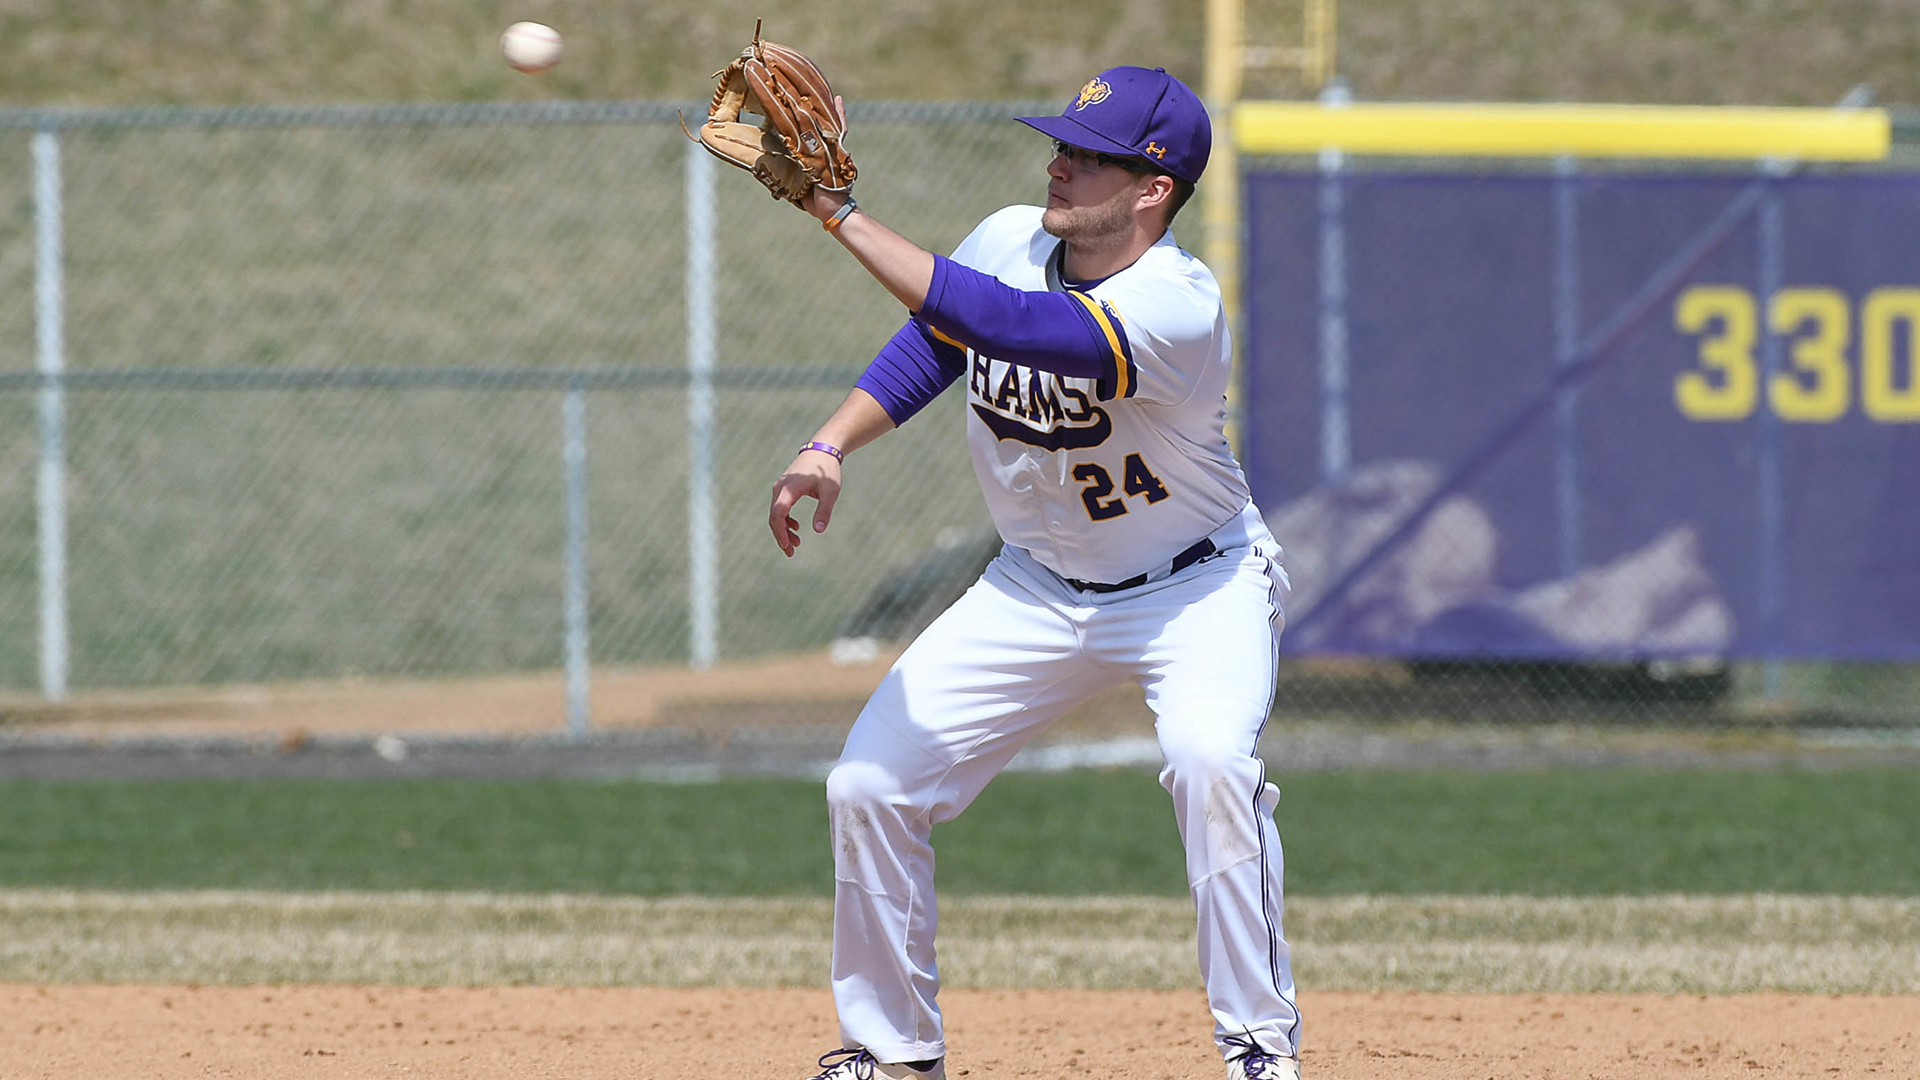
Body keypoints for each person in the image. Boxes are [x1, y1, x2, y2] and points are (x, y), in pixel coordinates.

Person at [767, 65, 1302, 1080]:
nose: (1058, 163)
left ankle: (1258, 1048)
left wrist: (834, 212)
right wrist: (827, 445)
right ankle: (891, 1052)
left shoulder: (1175, 305)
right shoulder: (1011, 238)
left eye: (1090, 156)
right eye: (1060, 142)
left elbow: (1018, 330)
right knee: (870, 785)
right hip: (1035, 587)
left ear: (1153, 189)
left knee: (1210, 762)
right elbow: (939, 341)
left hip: (1196, 589)